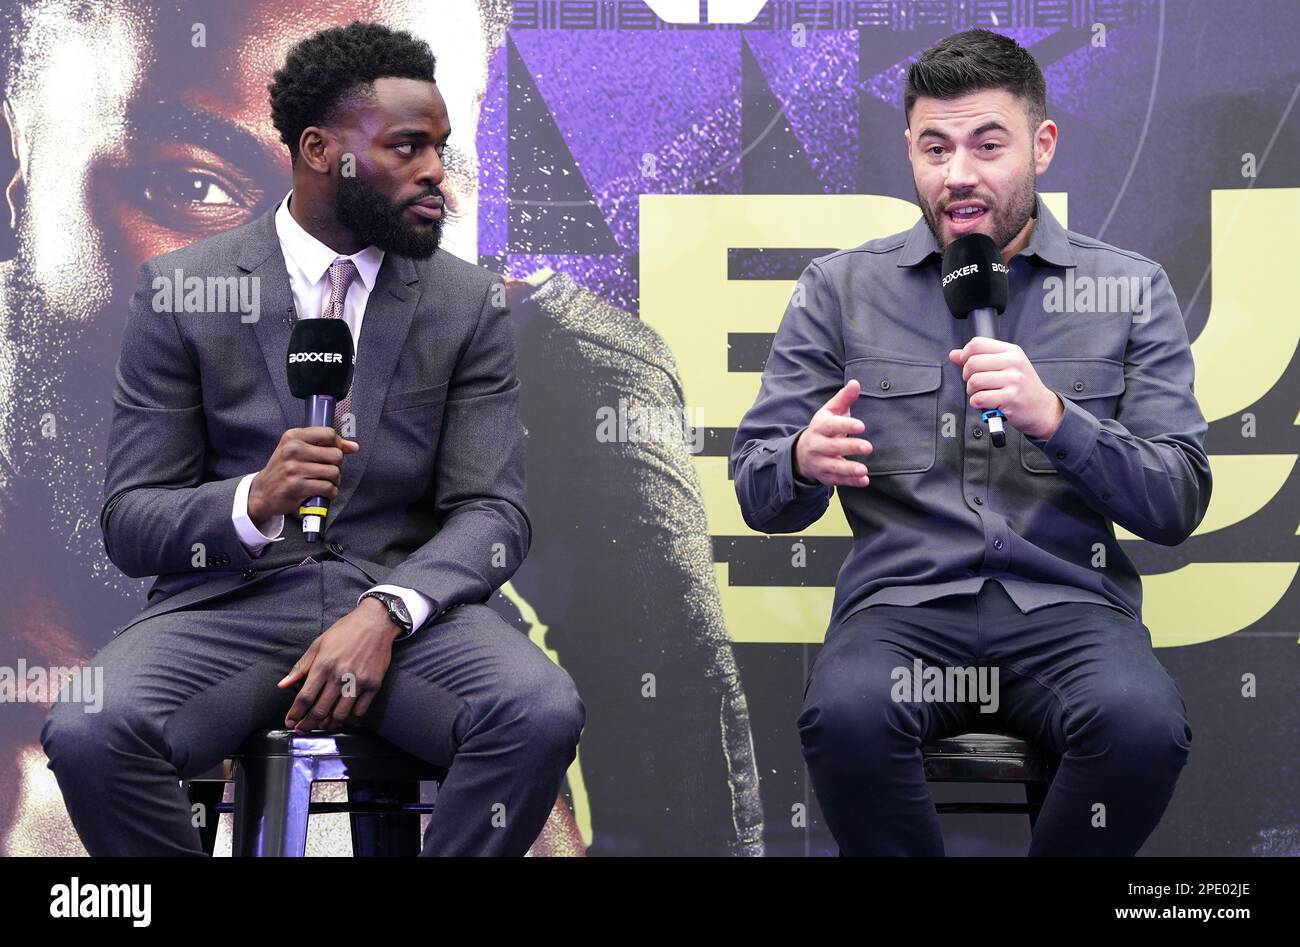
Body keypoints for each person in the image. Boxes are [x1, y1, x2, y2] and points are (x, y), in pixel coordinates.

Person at [0, 0, 761, 856]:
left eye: (428, 161)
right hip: (224, 610)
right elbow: (133, 520)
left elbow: (492, 516)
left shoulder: (477, 311)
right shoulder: (181, 293)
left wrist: (389, 609)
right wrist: (254, 499)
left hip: (413, 614)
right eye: (192, 185)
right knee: (92, 733)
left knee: (535, 711)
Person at [731, 29, 1211, 856]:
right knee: (843, 714)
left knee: (1141, 725)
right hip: (902, 611)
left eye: (988, 145)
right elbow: (756, 485)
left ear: (1042, 144)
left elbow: (1176, 499)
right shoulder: (840, 289)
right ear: (909, 151)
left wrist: (1059, 420)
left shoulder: (1130, 289)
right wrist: (800, 461)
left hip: (1071, 611)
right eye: (935, 147)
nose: (958, 175)